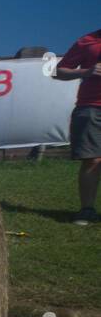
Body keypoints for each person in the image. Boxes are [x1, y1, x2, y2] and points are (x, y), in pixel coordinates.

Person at [54, 27, 101, 225]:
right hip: (91, 107)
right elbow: (58, 71)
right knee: (92, 160)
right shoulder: (87, 41)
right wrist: (87, 71)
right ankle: (87, 210)